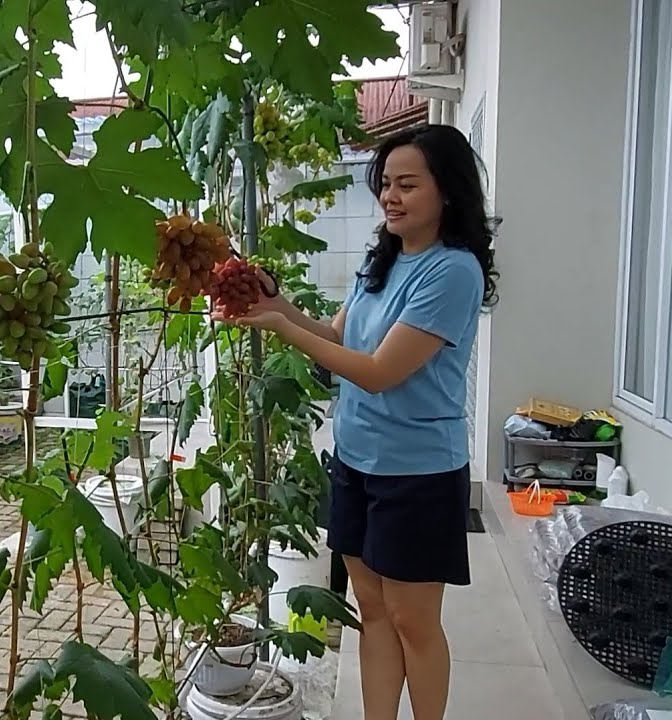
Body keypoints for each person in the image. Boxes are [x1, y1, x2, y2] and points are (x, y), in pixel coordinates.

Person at [214, 124, 498, 720]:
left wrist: (281, 328)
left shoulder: (453, 272)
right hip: (357, 460)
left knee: (412, 620)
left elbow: (377, 372)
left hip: (418, 471)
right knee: (372, 611)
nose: (390, 196)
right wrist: (276, 304)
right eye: (385, 184)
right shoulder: (384, 260)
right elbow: (337, 336)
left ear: (447, 191)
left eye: (407, 185)